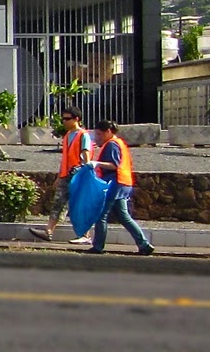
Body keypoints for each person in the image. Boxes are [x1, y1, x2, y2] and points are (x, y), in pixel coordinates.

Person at [87, 121, 155, 256]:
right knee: (124, 217)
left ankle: (98, 246)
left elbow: (114, 165)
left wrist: (95, 163)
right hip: (123, 182)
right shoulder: (119, 143)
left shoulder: (112, 144)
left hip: (114, 183)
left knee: (101, 215)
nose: (97, 137)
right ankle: (144, 244)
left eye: (99, 134)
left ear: (108, 131)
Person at [32, 107, 94, 244]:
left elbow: (85, 153)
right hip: (66, 174)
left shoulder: (83, 135)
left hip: (79, 174)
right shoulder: (67, 136)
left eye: (67, 119)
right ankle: (48, 231)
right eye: (63, 119)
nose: (64, 121)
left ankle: (85, 234)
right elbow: (65, 158)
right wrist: (59, 176)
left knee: (80, 204)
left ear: (76, 119)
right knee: (58, 203)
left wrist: (87, 169)